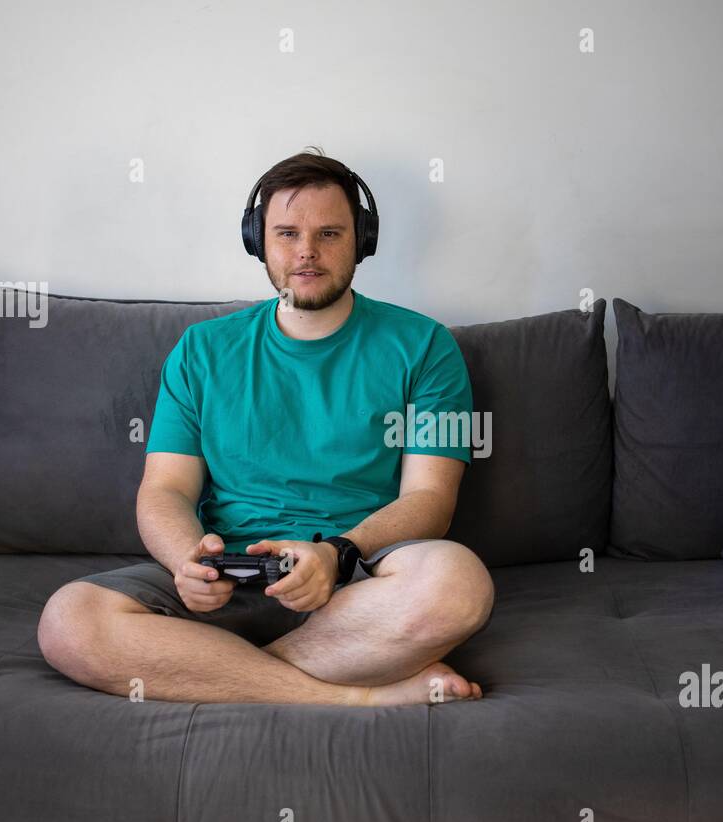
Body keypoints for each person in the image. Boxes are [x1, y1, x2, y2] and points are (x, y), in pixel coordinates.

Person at [37, 148, 494, 706]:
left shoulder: (426, 347)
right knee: (68, 620)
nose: (306, 252)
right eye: (286, 233)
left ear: (362, 240)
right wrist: (188, 560)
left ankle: (208, 671)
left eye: (329, 233)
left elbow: (431, 500)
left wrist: (337, 553)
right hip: (228, 575)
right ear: (259, 241)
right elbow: (164, 490)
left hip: (354, 584)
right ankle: (355, 695)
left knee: (460, 583)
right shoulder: (201, 350)